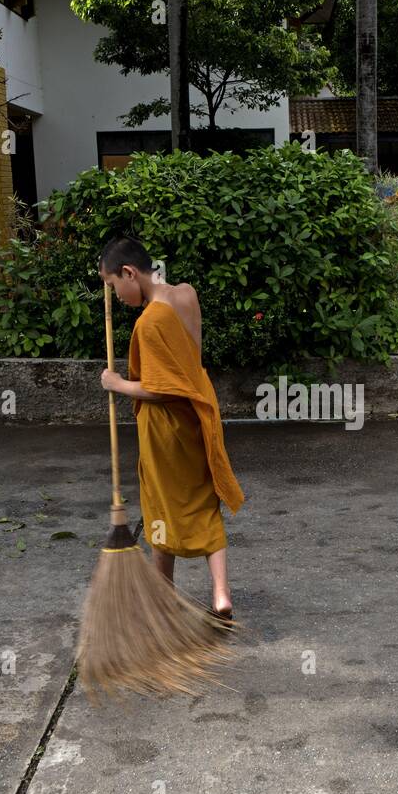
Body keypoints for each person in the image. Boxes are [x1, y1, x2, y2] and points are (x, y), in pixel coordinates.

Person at [97, 236, 244, 623]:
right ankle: (221, 593)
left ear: (129, 273)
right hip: (199, 416)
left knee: (161, 505)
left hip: (166, 429)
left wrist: (117, 384)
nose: (116, 295)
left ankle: (163, 598)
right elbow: (188, 367)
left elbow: (160, 389)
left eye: (114, 286)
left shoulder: (150, 322)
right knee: (203, 501)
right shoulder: (186, 294)